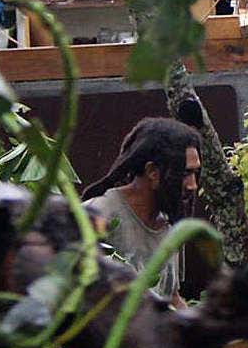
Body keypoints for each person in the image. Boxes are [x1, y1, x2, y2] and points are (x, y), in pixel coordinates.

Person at [79, 117, 202, 300]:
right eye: (184, 174)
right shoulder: (98, 214)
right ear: (153, 172)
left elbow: (170, 297)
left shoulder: (170, 225)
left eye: (195, 173)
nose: (192, 185)